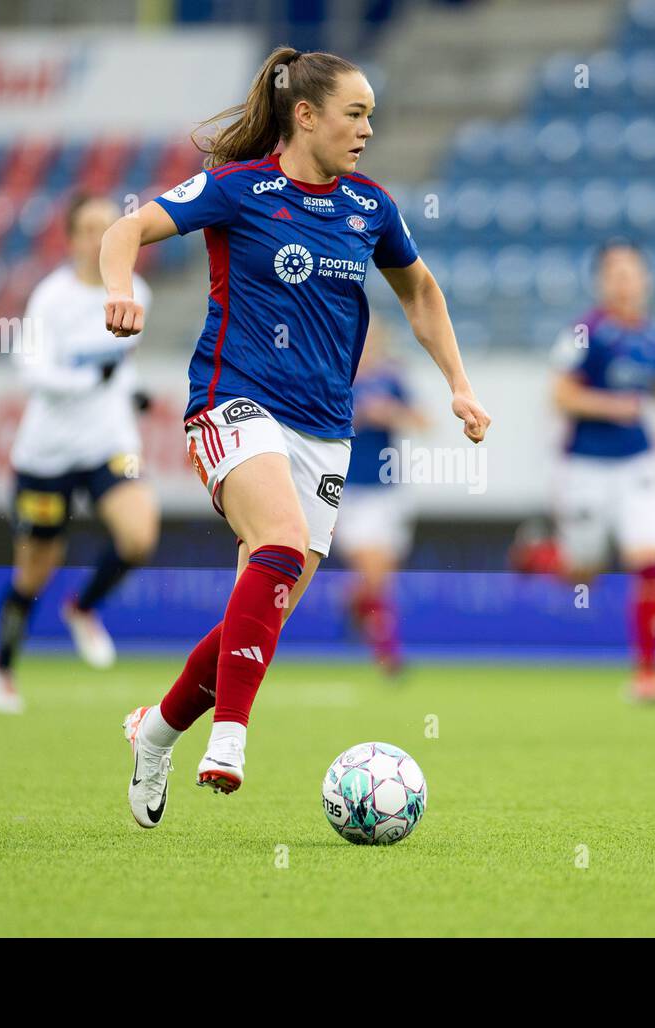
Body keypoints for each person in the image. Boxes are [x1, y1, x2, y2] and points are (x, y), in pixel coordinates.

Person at [99, 46, 490, 828]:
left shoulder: (371, 206)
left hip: (325, 428)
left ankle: (159, 730)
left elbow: (420, 293)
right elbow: (127, 228)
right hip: (232, 400)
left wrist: (458, 382)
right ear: (305, 115)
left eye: (372, 115)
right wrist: (118, 288)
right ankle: (232, 740)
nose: (369, 129)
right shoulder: (237, 190)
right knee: (276, 542)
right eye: (356, 113)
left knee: (265, 600)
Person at [512, 240, 655, 702]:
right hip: (585, 464)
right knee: (583, 572)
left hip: (639, 462)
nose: (625, 282)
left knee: (649, 559)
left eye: (632, 272)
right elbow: (560, 396)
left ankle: (648, 673)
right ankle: (537, 556)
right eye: (615, 273)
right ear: (602, 281)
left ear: (645, 279)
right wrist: (610, 406)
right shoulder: (584, 332)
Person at [0, 195, 159, 715]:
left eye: (109, 227)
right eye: (89, 228)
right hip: (48, 454)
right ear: (70, 238)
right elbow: (31, 370)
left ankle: (82, 608)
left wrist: (133, 388)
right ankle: (2, 664)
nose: (100, 237)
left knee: (139, 535)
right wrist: (91, 379)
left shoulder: (135, 289)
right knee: (36, 566)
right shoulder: (51, 299)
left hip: (110, 444)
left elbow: (120, 364)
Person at [333, 317, 428, 675]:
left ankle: (350, 604)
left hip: (388, 491)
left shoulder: (391, 380)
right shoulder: (338, 379)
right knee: (373, 573)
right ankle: (389, 654)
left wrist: (392, 413)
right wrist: (357, 417)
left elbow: (423, 421)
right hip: (349, 489)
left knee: (379, 579)